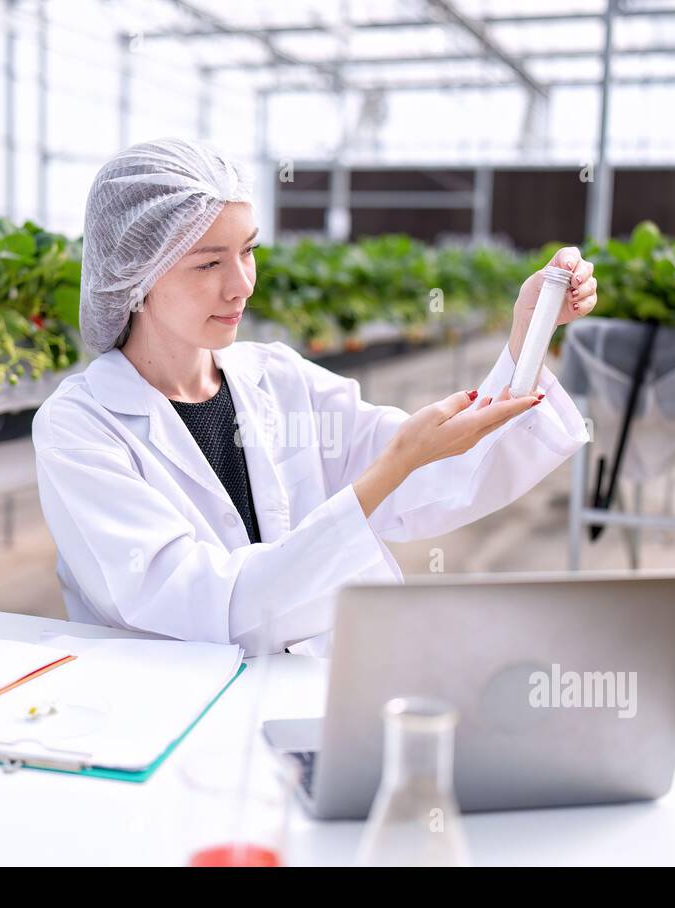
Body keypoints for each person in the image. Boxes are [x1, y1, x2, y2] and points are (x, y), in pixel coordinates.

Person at [32, 137, 597, 657]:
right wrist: (395, 465)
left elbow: (440, 477)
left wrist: (528, 336)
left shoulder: (277, 378)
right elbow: (207, 608)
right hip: (179, 729)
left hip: (315, 695)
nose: (241, 284)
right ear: (135, 275)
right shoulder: (81, 429)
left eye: (247, 252)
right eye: (208, 263)